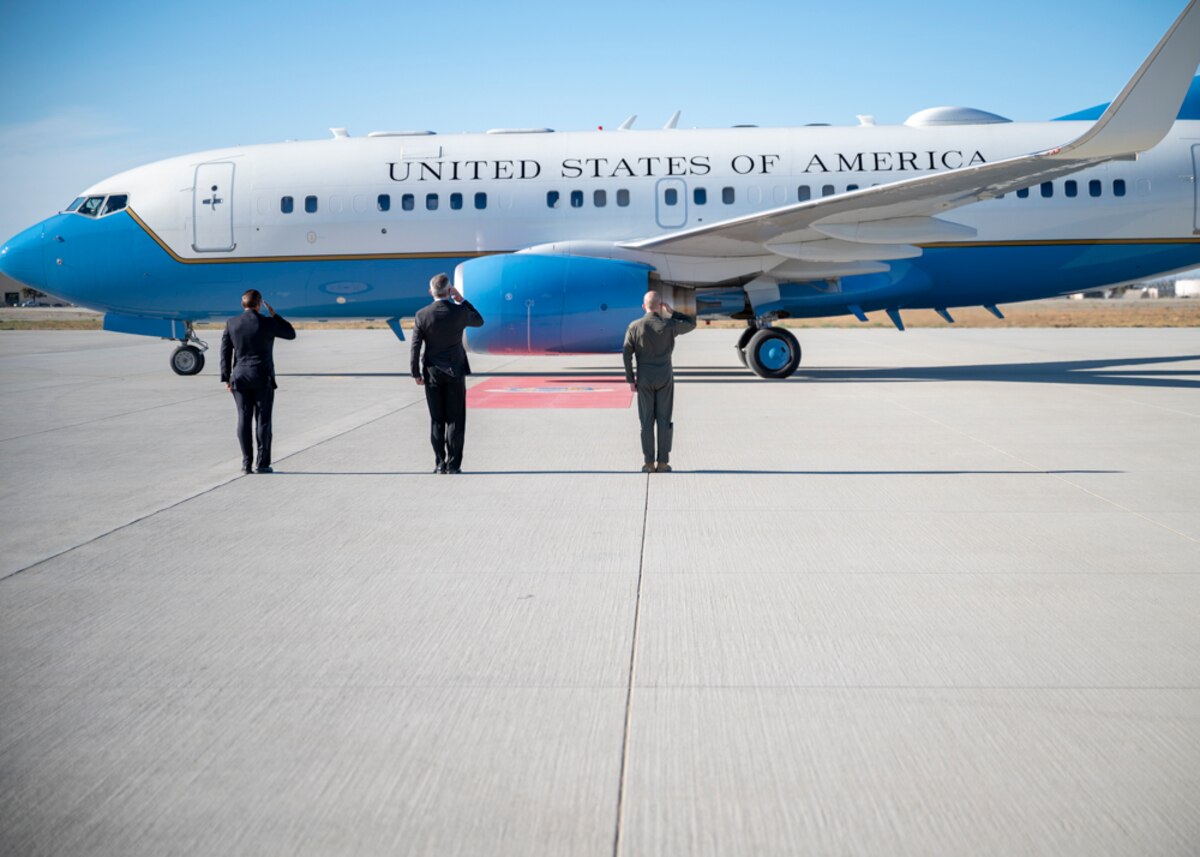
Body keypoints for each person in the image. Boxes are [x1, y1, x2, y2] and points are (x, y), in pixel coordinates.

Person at [411, 273, 485, 474]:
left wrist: (415, 373)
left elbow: (415, 347)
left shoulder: (422, 315)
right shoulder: (459, 312)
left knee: (436, 420)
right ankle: (453, 465)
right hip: (455, 371)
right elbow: (479, 320)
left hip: (432, 372)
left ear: (430, 292)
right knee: (455, 419)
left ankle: (439, 463)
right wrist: (462, 300)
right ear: (449, 290)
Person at [219, 289, 296, 474]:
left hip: (239, 377)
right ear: (259, 304)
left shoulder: (232, 323)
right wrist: (275, 315)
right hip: (262, 377)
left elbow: (225, 352)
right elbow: (291, 334)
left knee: (243, 419)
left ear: (242, 304)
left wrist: (226, 377)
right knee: (263, 421)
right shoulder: (267, 323)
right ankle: (262, 464)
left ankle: (246, 463)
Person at [623, 290, 696, 472]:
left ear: (644, 306)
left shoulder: (635, 326)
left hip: (645, 378)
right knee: (664, 420)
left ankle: (648, 463)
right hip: (664, 377)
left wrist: (631, 379)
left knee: (646, 421)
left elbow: (626, 354)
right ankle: (663, 462)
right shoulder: (669, 324)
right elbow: (692, 324)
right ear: (660, 306)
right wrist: (673, 313)